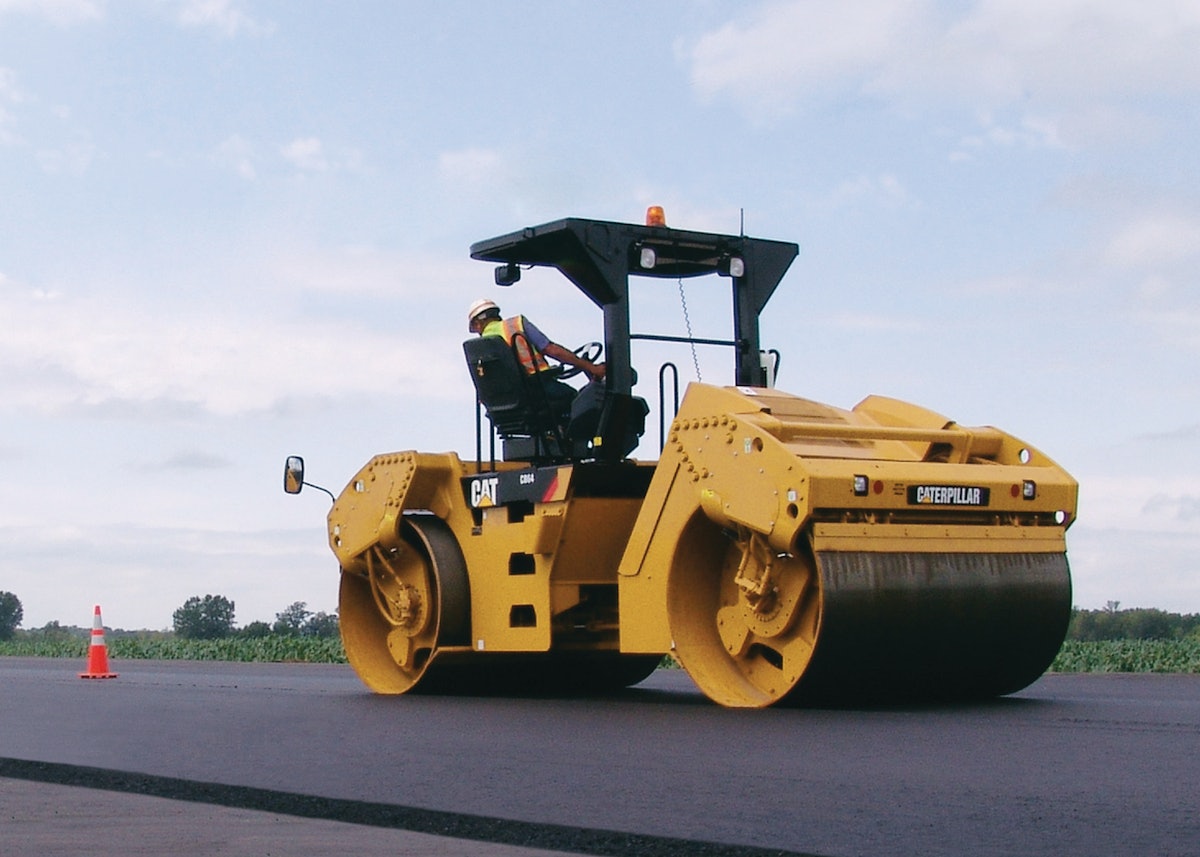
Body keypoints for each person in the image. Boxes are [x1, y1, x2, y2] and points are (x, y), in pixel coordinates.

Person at [467, 298, 604, 429]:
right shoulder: (515, 325)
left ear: (477, 324)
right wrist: (591, 367)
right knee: (578, 401)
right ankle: (568, 439)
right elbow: (551, 350)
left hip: (506, 406)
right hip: (537, 390)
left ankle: (556, 435)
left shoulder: (479, 349)